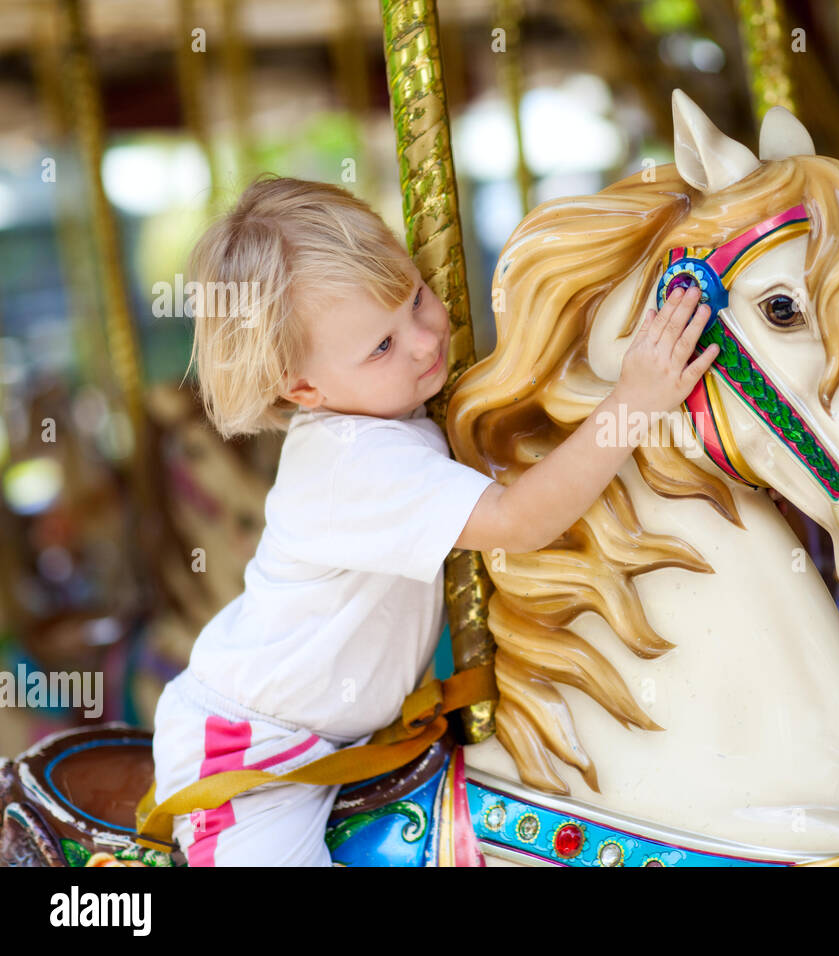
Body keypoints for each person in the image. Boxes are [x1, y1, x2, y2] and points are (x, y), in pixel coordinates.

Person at [151, 176, 717, 865]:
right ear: (304, 389)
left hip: (349, 734)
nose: (424, 341)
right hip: (251, 756)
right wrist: (634, 400)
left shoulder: (387, 413)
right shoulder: (353, 464)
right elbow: (518, 518)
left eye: (417, 295)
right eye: (381, 347)